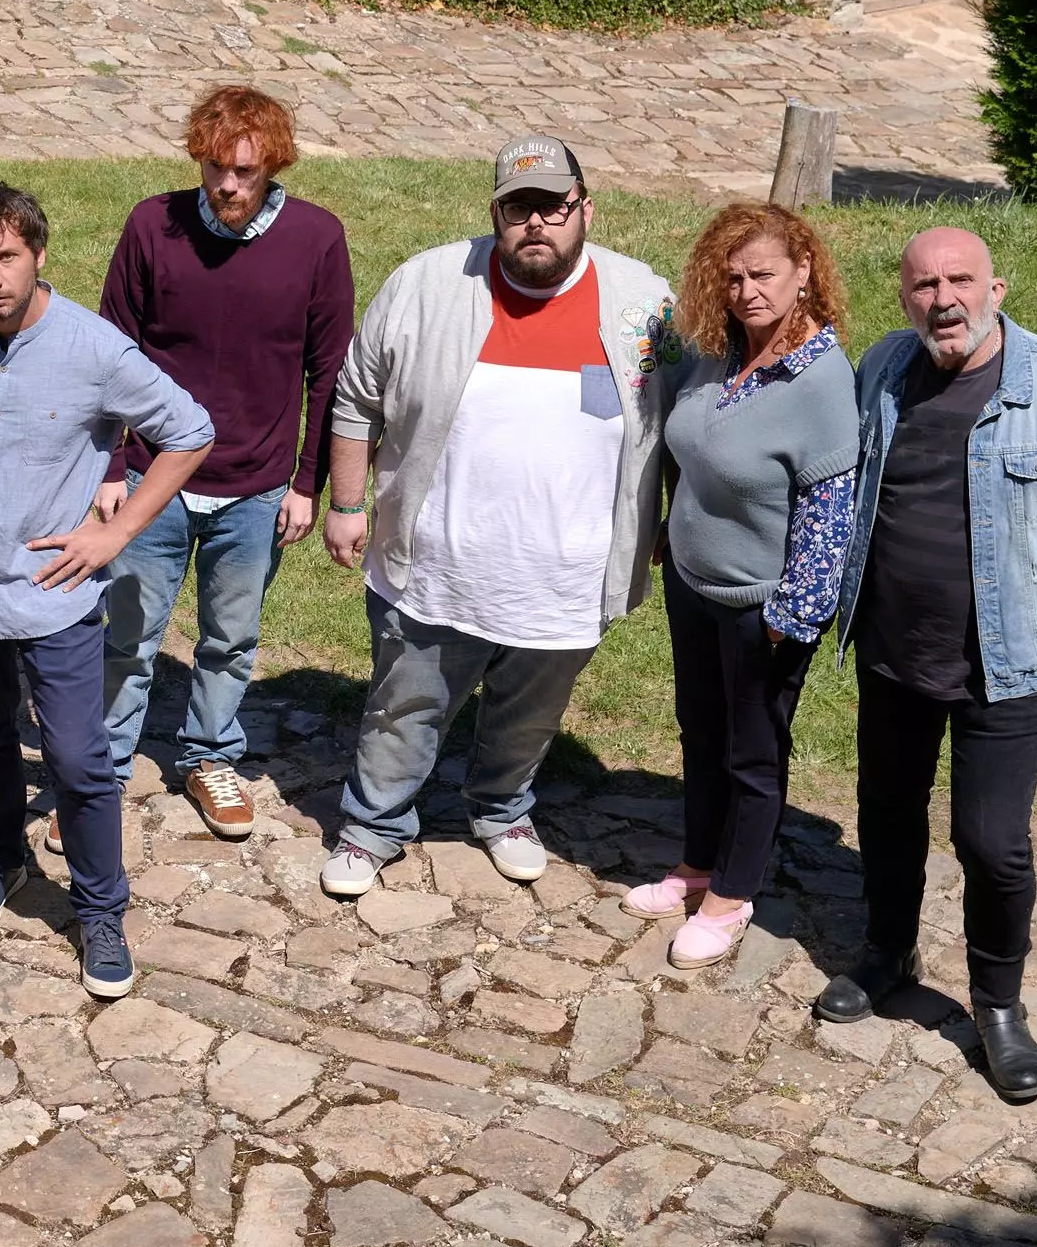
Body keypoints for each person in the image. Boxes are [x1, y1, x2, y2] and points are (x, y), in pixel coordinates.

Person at [816, 227, 1037, 1102]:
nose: (943, 299)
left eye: (960, 279)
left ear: (997, 287)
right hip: (891, 649)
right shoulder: (883, 368)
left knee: (989, 841)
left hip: (1011, 662)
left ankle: (996, 1004)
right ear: (903, 298)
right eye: (924, 284)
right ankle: (888, 950)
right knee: (885, 811)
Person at [0, 181, 214, 1001]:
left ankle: (99, 910)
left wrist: (115, 532)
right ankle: (0, 860)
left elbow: (189, 430)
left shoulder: (94, 350)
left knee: (77, 756)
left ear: (39, 254)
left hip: (51, 590)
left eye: (6, 257)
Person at [319, 136, 676, 898]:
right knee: (404, 705)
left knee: (529, 712)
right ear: (495, 214)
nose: (537, 223)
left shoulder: (643, 301)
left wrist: (672, 518)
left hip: (570, 571)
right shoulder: (426, 283)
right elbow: (355, 398)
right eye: (519, 208)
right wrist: (347, 501)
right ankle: (372, 823)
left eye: (553, 205)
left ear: (585, 208)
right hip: (435, 561)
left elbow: (683, 417)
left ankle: (500, 807)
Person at [91, 84, 353, 846]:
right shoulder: (151, 225)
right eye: (215, 169)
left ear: (273, 164)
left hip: (258, 481)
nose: (229, 186)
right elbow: (112, 351)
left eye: (245, 171)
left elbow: (329, 371)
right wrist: (111, 464)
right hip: (152, 475)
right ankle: (101, 767)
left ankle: (208, 754)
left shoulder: (316, 238)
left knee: (229, 637)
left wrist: (308, 482)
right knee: (128, 634)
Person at [633, 203, 858, 969]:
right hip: (693, 583)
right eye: (730, 277)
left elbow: (829, 512)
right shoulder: (716, 350)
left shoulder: (821, 379)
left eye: (762, 274)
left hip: (761, 605)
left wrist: (791, 614)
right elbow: (695, 447)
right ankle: (695, 864)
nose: (745, 291)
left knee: (751, 754)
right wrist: (674, 521)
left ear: (803, 272)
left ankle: (732, 895)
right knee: (697, 729)